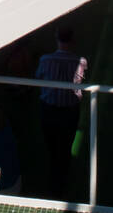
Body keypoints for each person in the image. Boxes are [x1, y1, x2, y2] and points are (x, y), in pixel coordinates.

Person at [35, 24, 87, 197]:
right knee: (65, 145)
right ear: (72, 40)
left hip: (49, 109)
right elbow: (80, 81)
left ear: (56, 39)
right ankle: (62, 178)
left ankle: (53, 177)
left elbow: (39, 77)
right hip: (69, 110)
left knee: (51, 144)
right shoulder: (80, 61)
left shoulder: (45, 60)